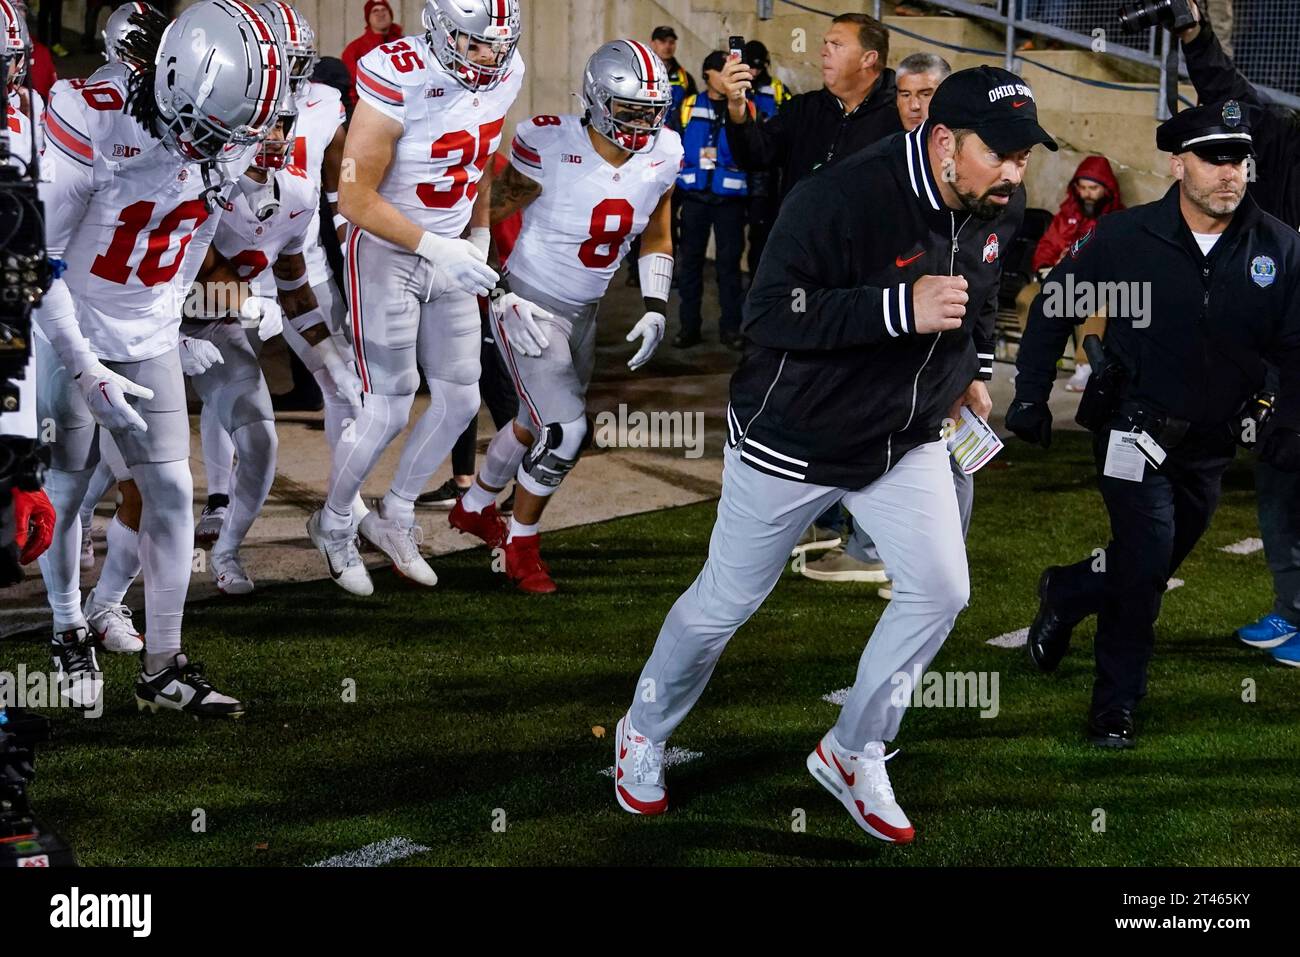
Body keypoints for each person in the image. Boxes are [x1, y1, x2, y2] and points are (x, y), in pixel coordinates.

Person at [613, 67, 1046, 842]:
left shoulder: (995, 202)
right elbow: (773, 312)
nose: (1015, 173)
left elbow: (977, 298)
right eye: (1003, 154)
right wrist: (896, 308)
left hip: (904, 438)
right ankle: (642, 729)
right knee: (723, 606)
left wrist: (968, 377)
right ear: (944, 141)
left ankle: (852, 748)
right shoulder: (839, 196)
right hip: (795, 435)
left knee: (941, 589)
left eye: (1023, 157)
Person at [1007, 101, 1300, 745]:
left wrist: (1282, 413)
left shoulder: (1280, 249)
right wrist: (1028, 395)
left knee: (1151, 561)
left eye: (1240, 160)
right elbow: (1055, 308)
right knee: (1143, 566)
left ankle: (1069, 589)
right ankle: (1115, 703)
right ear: (1177, 163)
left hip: (1212, 446)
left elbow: (1293, 346)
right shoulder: (1125, 237)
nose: (1230, 173)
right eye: (1214, 158)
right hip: (1130, 434)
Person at [35, 0, 284, 717]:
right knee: (66, 486)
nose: (216, 148)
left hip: (145, 338)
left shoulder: (226, 133)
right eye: (207, 131)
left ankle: (163, 666)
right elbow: (38, 260)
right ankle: (66, 626)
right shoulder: (91, 119)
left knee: (172, 492)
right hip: (71, 328)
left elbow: (197, 234)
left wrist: (169, 326)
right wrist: (84, 365)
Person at [446, 39, 680, 593]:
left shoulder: (665, 150)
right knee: (565, 429)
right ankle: (520, 546)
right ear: (597, 100)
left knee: (531, 420)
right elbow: (489, 210)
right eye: (630, 109)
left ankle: (475, 505)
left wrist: (654, 305)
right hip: (530, 300)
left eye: (652, 110)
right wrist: (495, 288)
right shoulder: (547, 140)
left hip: (585, 310)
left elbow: (659, 232)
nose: (643, 122)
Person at [308, 0, 525, 596]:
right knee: (387, 407)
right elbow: (354, 199)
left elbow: (478, 161)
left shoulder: (506, 71)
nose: (488, 57)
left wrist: (477, 233)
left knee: (461, 399)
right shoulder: (396, 72)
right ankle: (331, 523)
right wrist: (437, 245)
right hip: (385, 250)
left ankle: (395, 516)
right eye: (474, 43)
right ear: (438, 29)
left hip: (450, 247)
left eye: (497, 45)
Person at [1177, 0, 1300, 665]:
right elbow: (1228, 95)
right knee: (1281, 481)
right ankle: (1292, 608)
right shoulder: (1282, 142)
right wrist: (1195, 36)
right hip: (1286, 359)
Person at [417, 149, 521, 513]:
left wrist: (498, 288)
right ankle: (463, 481)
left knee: (500, 390)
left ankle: (525, 485)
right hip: (474, 287)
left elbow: (495, 231)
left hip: (495, 288)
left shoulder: (494, 166)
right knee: (463, 386)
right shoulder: (472, 163)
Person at [722, 12, 901, 205]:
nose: (824, 51)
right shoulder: (803, 109)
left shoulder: (902, 116)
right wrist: (736, 106)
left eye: (836, 45)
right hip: (799, 234)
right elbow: (754, 156)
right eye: (825, 43)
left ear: (868, 59)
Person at [1025, 155, 1124, 393]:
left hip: (1096, 285)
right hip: (1058, 280)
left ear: (1107, 189)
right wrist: (1046, 265)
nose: (1087, 194)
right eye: (1082, 187)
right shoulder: (1065, 214)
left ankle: (1084, 367)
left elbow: (1118, 260)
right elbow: (1046, 246)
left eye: (1093, 188)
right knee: (1027, 298)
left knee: (1095, 306)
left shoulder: (1118, 219)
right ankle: (1039, 361)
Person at [672, 50, 750, 350]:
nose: (728, 77)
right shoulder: (688, 106)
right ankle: (688, 328)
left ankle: (731, 329)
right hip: (695, 198)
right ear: (708, 74)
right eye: (722, 71)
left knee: (729, 269)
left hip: (730, 200)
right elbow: (675, 148)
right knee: (689, 265)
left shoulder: (742, 107)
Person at [740, 39, 789, 281]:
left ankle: (755, 285)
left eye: (759, 67)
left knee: (760, 235)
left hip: (766, 175)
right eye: (751, 66)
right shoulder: (736, 87)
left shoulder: (777, 89)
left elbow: (790, 126)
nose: (755, 72)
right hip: (735, 171)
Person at [341, 0, 402, 107]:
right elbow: (352, 83)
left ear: (391, 14)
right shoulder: (354, 49)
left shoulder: (403, 44)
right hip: (370, 107)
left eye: (384, 10)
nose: (381, 14)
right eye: (375, 11)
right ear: (368, 18)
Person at [649, 25, 695, 132]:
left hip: (674, 137)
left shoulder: (685, 78)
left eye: (671, 42)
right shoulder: (642, 73)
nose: (667, 46)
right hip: (646, 134)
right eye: (662, 42)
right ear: (652, 43)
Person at [894, 51, 949, 133]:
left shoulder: (968, 142)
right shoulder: (882, 144)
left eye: (925, 95)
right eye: (906, 95)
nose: (914, 106)